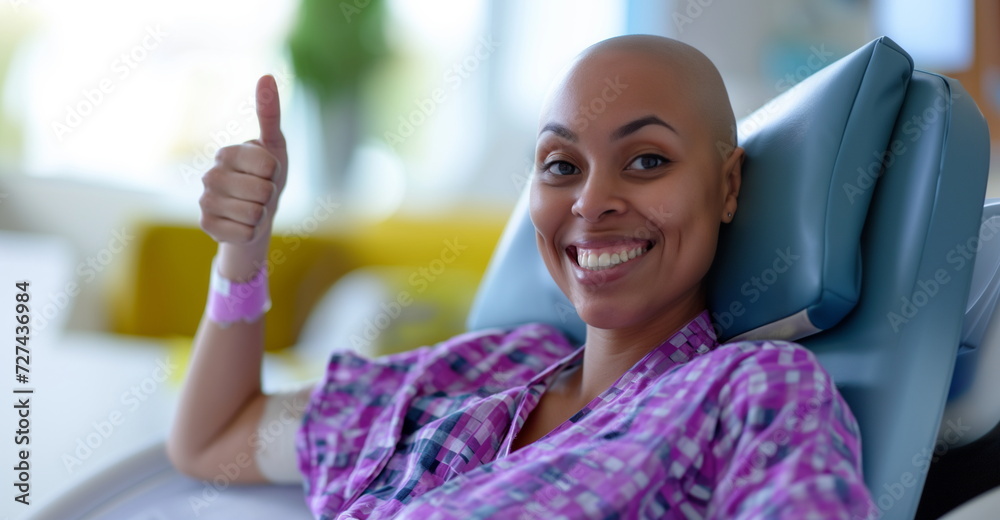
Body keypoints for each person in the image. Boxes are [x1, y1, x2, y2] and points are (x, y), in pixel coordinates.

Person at [168, 35, 877, 519]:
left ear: (727, 188)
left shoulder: (753, 389)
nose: (591, 202)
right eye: (562, 166)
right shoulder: (486, 367)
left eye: (648, 160)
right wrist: (244, 255)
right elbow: (214, 439)